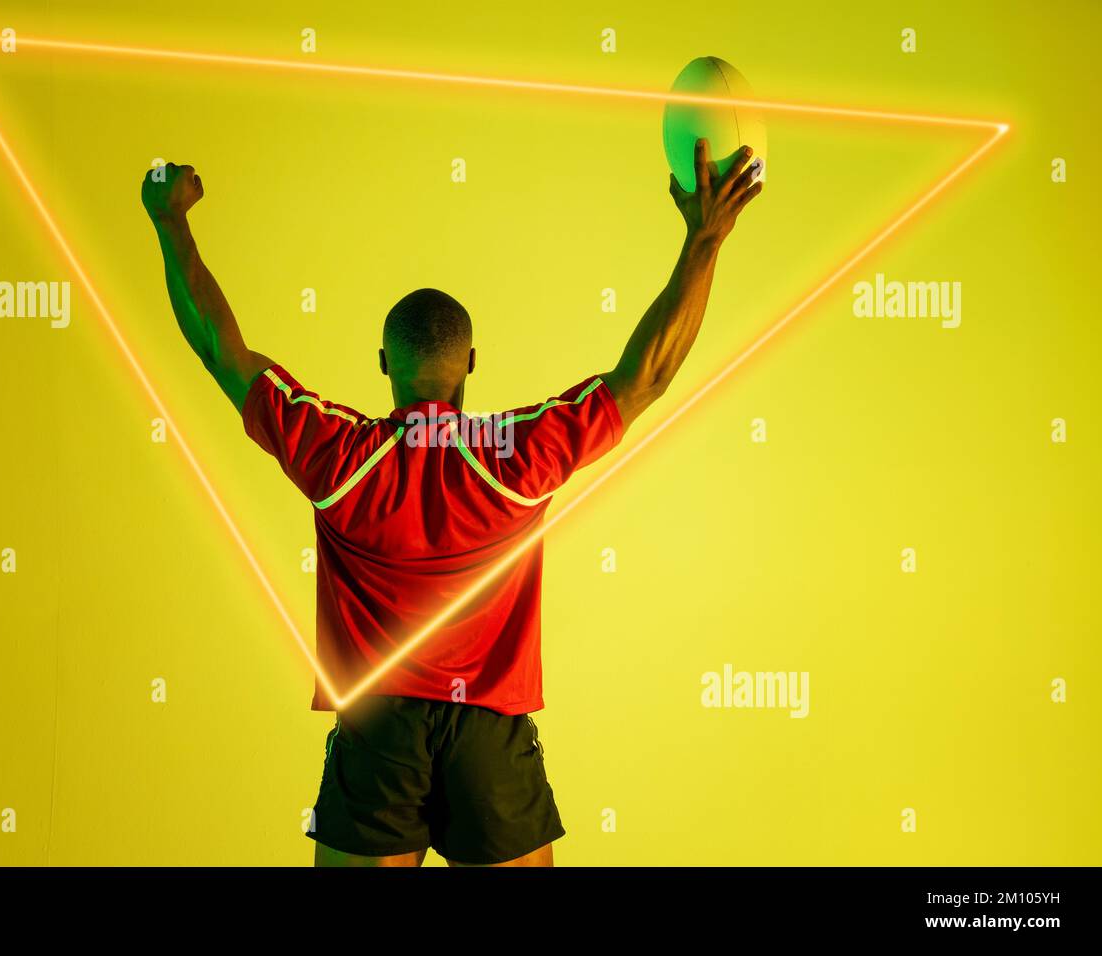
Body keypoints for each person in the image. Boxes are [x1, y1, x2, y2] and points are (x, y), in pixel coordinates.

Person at [141, 140, 762, 867]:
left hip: (376, 733)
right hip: (490, 739)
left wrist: (169, 221)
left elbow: (222, 349)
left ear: (384, 363)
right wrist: (704, 238)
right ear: (470, 361)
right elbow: (647, 375)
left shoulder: (339, 455)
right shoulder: (517, 457)